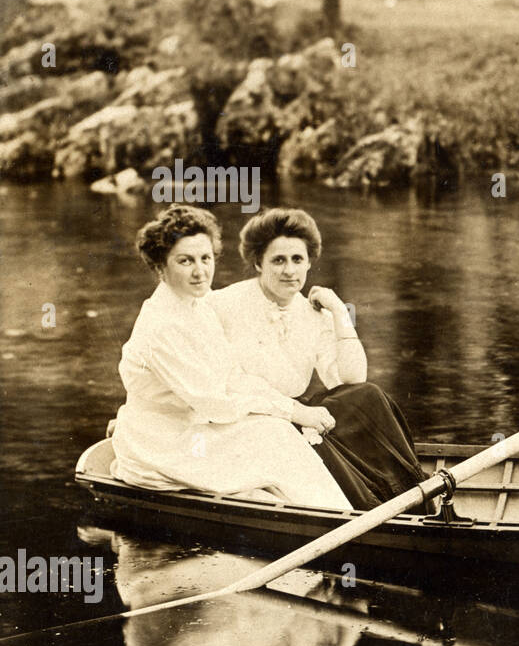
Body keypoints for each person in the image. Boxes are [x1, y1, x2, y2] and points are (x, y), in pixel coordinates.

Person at [109, 205, 351, 510]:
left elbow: (232, 377)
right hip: (161, 446)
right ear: (161, 267)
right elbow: (215, 403)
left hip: (190, 429)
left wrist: (289, 410)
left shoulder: (196, 307)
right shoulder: (162, 325)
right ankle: (343, 521)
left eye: (206, 258)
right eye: (185, 261)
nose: (200, 271)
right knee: (277, 436)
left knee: (275, 433)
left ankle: (338, 514)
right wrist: (294, 412)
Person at [208, 208, 426, 510]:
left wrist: (339, 313)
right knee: (310, 439)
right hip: (248, 421)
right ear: (258, 263)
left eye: (298, 260)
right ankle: (370, 508)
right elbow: (212, 378)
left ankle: (411, 490)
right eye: (278, 260)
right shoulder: (223, 304)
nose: (289, 271)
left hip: (297, 415)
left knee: (369, 396)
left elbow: (350, 381)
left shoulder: (314, 313)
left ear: (310, 262)